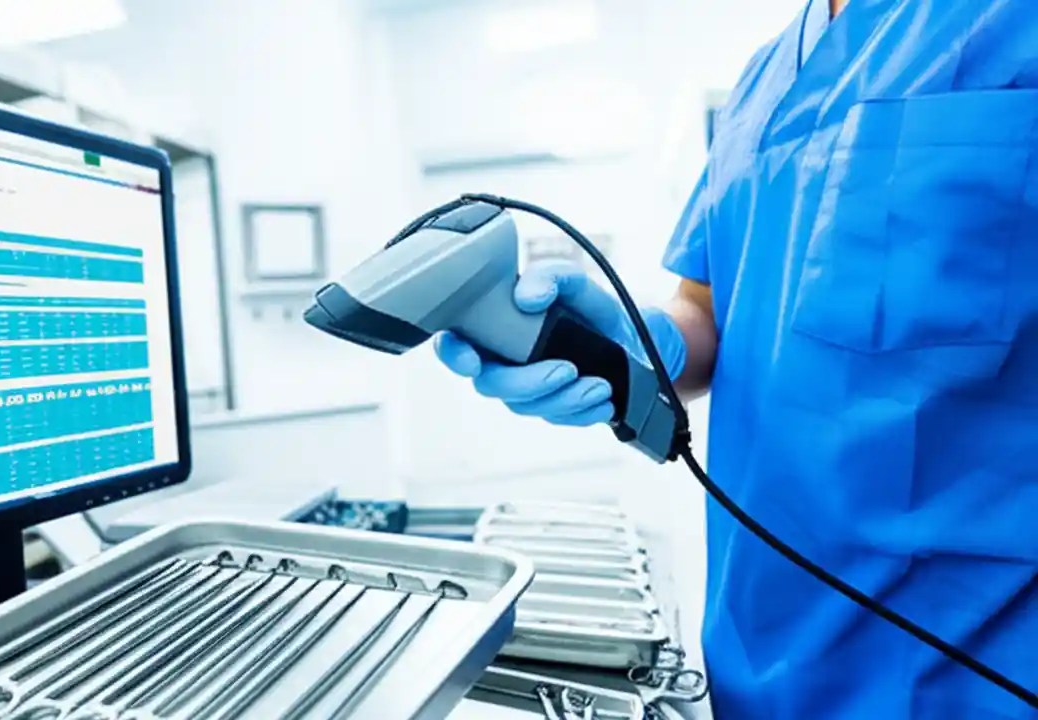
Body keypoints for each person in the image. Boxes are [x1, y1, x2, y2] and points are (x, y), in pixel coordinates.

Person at [434, 0, 1038, 717]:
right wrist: (637, 343)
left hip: (977, 668)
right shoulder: (763, 82)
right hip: (757, 659)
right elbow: (711, 312)